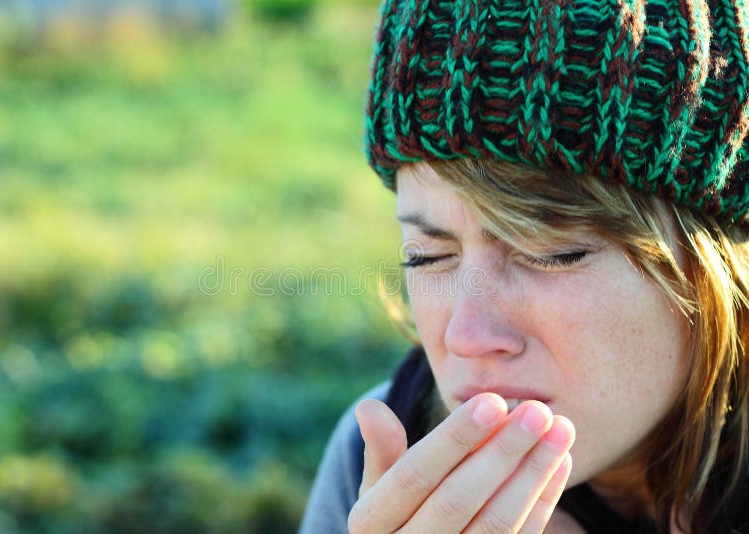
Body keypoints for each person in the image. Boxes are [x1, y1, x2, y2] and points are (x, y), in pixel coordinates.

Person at [300, 0, 749, 532]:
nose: (467, 336)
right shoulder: (379, 471)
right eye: (428, 255)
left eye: (550, 252)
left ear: (717, 263)